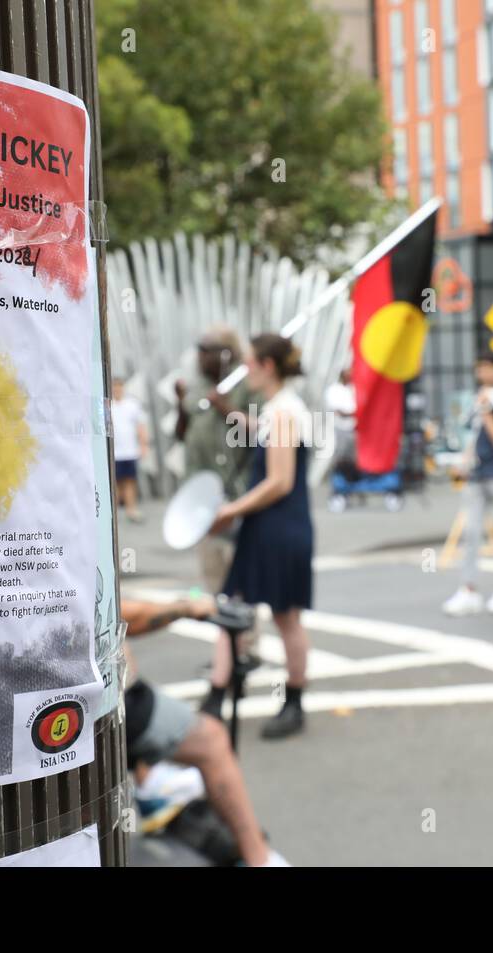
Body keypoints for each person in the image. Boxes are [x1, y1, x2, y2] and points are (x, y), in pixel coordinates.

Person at [121, 596, 286, 867]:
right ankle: (259, 858)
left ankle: (150, 782)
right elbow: (122, 614)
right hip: (111, 704)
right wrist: (183, 607)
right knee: (210, 739)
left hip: (76, 702)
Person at [205, 334, 313, 740]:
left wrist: (229, 511)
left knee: (282, 617)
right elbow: (261, 432)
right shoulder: (279, 409)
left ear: (268, 366)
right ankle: (220, 694)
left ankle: (289, 701)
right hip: (277, 526)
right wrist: (227, 411)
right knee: (243, 609)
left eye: (249, 363)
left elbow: (280, 482)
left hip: (278, 526)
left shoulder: (284, 412)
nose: (244, 371)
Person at [175, 328, 258, 590]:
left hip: (235, 493)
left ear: (226, 354)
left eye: (206, 350)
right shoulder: (197, 386)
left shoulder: (245, 385)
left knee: (241, 578)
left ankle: (243, 630)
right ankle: (222, 627)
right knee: (212, 577)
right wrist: (180, 403)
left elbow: (258, 431)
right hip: (200, 493)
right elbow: (181, 434)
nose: (200, 357)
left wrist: (225, 407)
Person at [442, 354, 493, 617]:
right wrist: (463, 462)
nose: (481, 375)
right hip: (476, 474)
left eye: (485, 368)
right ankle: (468, 588)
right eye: (478, 370)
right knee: (471, 533)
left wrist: (487, 410)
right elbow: (475, 434)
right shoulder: (480, 397)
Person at [110, 377, 148, 522]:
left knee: (130, 481)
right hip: (114, 453)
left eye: (119, 387)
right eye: (115, 387)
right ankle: (114, 513)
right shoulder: (108, 405)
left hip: (129, 451)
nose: (117, 390)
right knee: (115, 483)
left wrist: (144, 445)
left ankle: (131, 510)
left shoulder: (132, 405)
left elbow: (140, 426)